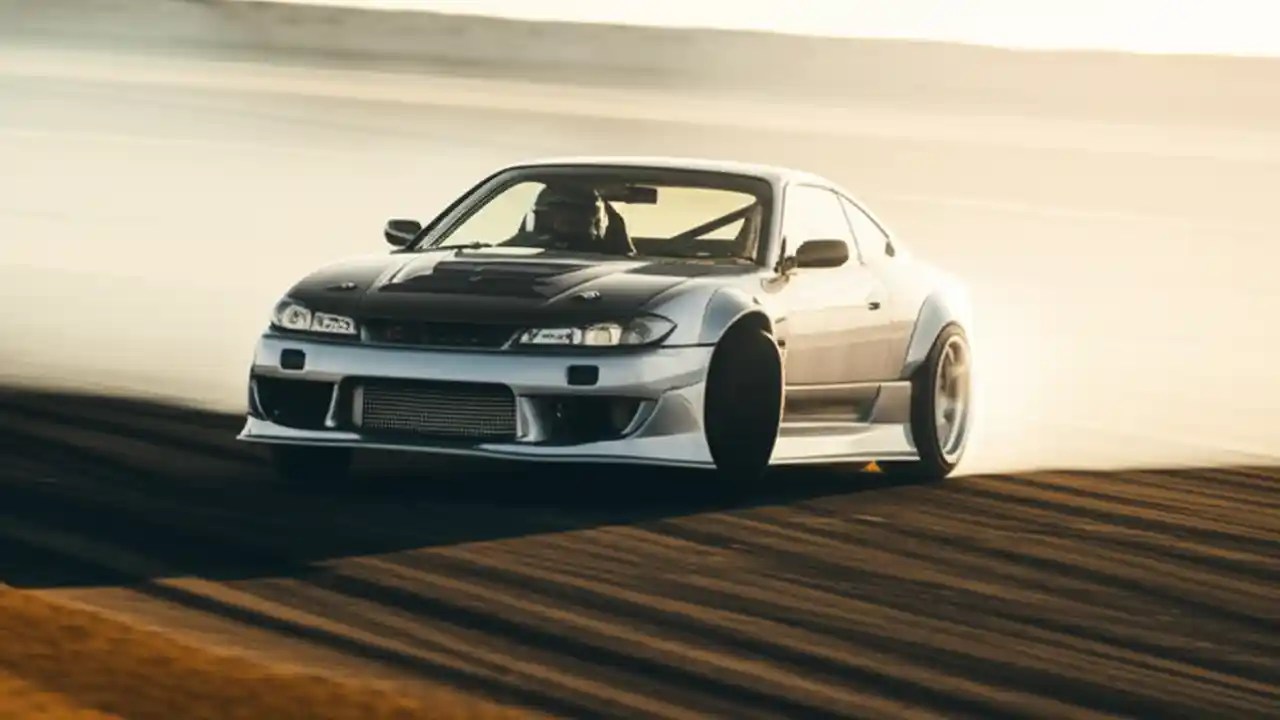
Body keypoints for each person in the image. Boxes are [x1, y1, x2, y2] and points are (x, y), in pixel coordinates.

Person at [506, 183, 634, 255]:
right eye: (555, 215)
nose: (562, 224)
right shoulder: (523, 248)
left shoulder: (610, 255)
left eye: (573, 218)